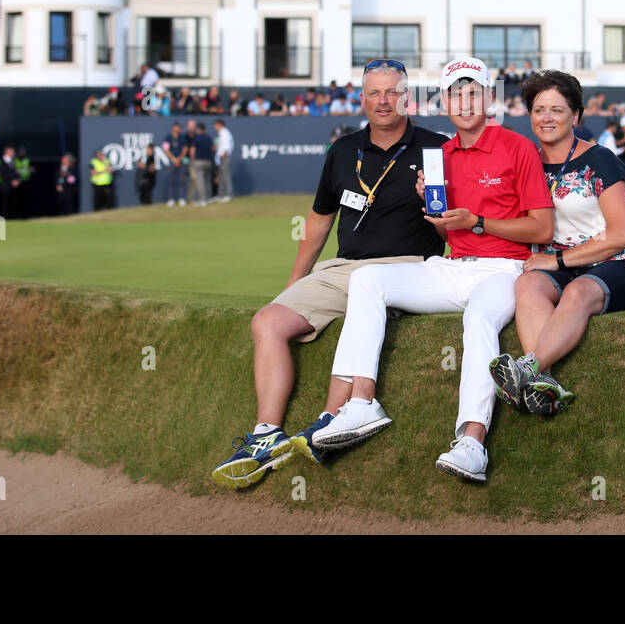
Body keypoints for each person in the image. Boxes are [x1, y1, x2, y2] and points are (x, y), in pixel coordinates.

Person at [308, 57, 554, 484]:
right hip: (453, 266)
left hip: (505, 269)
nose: (465, 101)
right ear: (445, 102)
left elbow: (542, 226)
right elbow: (441, 224)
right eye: (456, 94)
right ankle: (362, 403)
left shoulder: (518, 147)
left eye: (474, 92)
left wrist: (475, 222)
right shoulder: (439, 155)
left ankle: (471, 443)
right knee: (366, 279)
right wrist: (434, 210)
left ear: (490, 98)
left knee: (479, 319)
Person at [210, 59, 447, 490]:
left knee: (365, 286)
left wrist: (435, 209)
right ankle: (265, 435)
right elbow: (319, 222)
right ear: (361, 98)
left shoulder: (436, 147)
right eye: (374, 93)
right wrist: (294, 284)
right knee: (266, 321)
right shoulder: (343, 149)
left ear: (407, 97)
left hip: (407, 268)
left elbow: (454, 224)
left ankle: (330, 422)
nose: (383, 101)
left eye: (392, 92)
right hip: (342, 269)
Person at [493, 69, 625, 416]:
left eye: (557, 110)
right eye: (538, 110)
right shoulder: (526, 161)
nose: (546, 118)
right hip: (558, 265)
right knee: (528, 284)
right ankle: (544, 386)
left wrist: (559, 262)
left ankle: (528, 368)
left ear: (576, 115)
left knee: (579, 291)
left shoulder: (600, 160)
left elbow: (621, 233)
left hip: (617, 262)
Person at [161, 122, 187, 207]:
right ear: (174, 127)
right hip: (171, 162)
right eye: (178, 127)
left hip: (181, 162)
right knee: (171, 181)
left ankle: (181, 199)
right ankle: (171, 199)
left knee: (181, 180)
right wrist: (173, 159)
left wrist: (179, 159)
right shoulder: (168, 137)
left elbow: (185, 149)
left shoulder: (182, 137)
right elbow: (165, 149)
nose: (179, 129)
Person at [190, 122, 214, 205]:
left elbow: (192, 150)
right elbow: (213, 148)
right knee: (207, 180)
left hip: (199, 161)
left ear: (198, 129)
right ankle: (209, 198)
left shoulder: (197, 138)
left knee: (200, 181)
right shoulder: (209, 137)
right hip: (209, 161)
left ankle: (203, 200)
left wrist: (193, 161)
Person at [0, 145, 20, 220]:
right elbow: (2, 173)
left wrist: (17, 180)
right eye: (11, 151)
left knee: (13, 203)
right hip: (5, 186)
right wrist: (11, 180)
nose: (13, 153)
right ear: (6, 152)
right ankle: (4, 218)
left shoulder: (13, 161)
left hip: (13, 186)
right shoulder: (1, 161)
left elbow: (16, 172)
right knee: (4, 204)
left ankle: (12, 217)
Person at [214, 118, 234, 202]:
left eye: (216, 125)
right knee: (221, 177)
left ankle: (228, 194)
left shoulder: (224, 133)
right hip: (221, 158)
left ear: (220, 125)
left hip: (224, 157)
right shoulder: (221, 133)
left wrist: (223, 155)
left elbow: (226, 146)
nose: (214, 127)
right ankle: (221, 195)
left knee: (226, 176)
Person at [14, 146, 33, 219]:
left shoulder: (27, 160)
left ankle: (25, 216)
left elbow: (31, 169)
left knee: (25, 200)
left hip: (25, 181)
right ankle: (17, 215)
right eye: (20, 152)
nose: (22, 153)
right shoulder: (15, 160)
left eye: (23, 152)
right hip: (17, 182)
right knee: (17, 200)